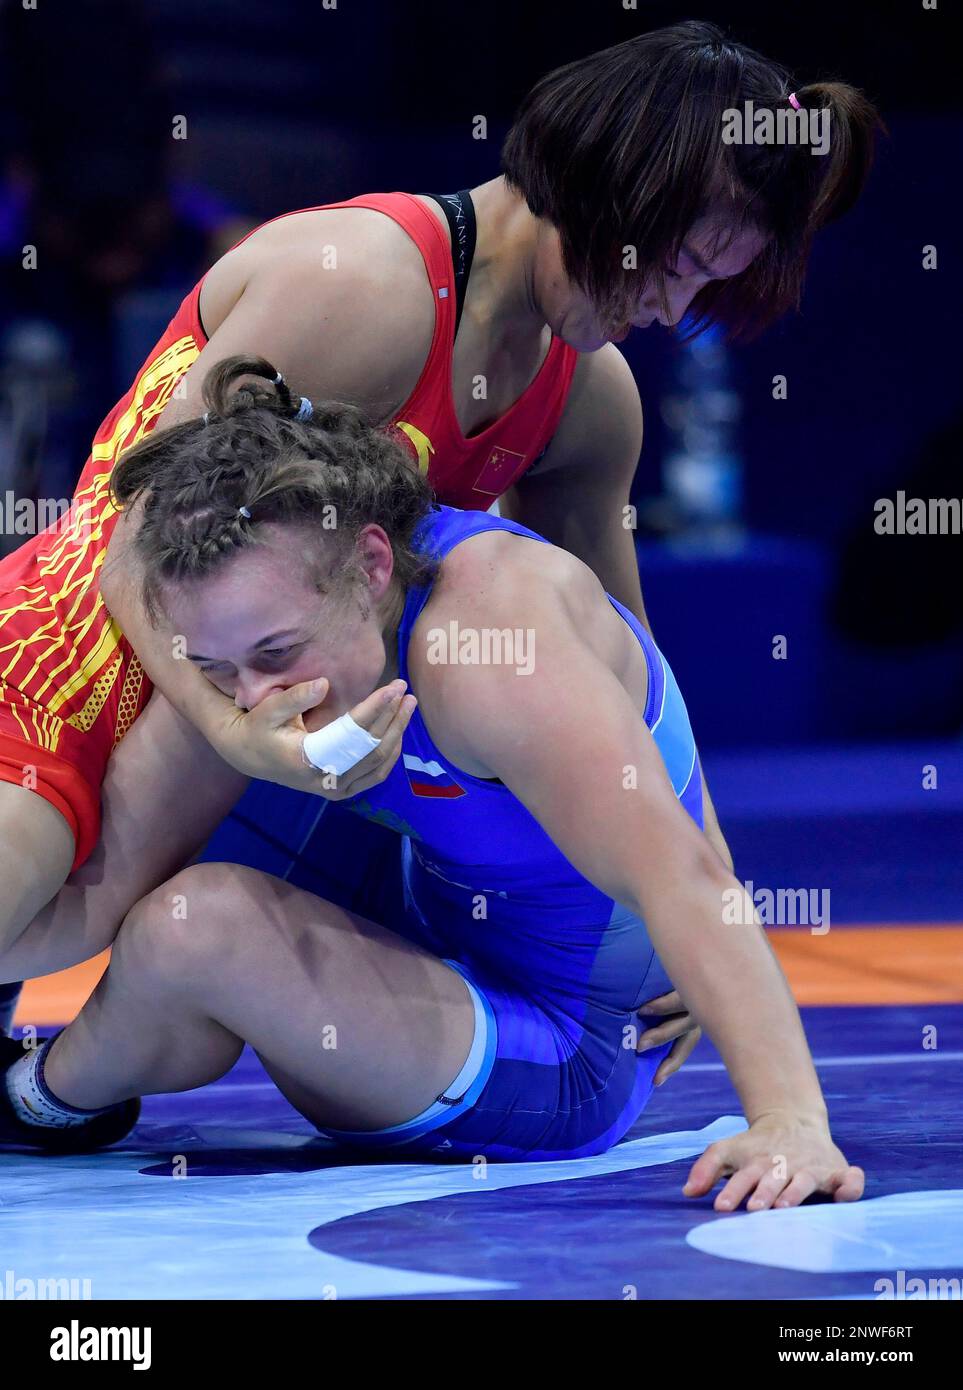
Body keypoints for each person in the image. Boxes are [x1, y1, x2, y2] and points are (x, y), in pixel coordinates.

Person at [0, 21, 882, 1035]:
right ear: (605, 182)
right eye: (674, 263)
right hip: (66, 670)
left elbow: (634, 685)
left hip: (223, 724)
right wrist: (241, 736)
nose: (669, 306)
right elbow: (134, 551)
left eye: (703, 285)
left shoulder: (588, 402)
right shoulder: (361, 284)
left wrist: (702, 892)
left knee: (186, 984)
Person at [0, 361, 864, 1213]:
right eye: (214, 665)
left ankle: (38, 1095)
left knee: (195, 932)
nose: (258, 700)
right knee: (171, 789)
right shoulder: (288, 623)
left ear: (373, 565)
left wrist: (787, 1118)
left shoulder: (491, 649)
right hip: (427, 903)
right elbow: (91, 898)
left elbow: (685, 878)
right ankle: (115, 1045)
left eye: (276, 654)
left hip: (561, 1042)